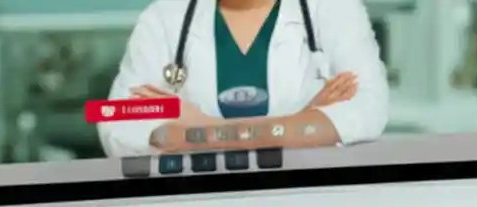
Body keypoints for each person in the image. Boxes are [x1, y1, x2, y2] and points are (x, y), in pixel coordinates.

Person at [100, 0, 389, 157]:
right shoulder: (164, 18)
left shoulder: (333, 8)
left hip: (306, 199)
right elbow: (116, 118)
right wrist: (302, 122)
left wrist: (203, 128)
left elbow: (368, 110)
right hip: (195, 204)